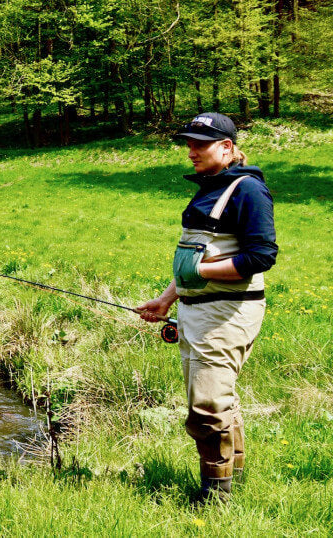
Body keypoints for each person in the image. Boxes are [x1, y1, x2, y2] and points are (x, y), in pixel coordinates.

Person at [136, 112, 277, 502]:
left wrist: (199, 271)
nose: (191, 151)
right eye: (189, 143)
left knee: (207, 406)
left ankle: (215, 497)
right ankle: (235, 479)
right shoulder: (211, 187)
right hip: (198, 310)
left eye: (200, 143)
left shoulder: (247, 190)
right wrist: (167, 298)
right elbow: (197, 253)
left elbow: (260, 257)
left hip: (226, 313)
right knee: (219, 399)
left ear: (227, 147)